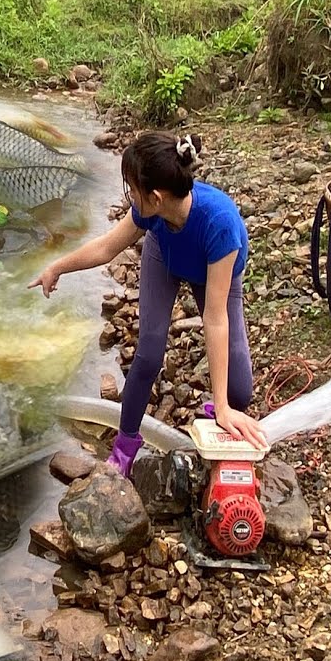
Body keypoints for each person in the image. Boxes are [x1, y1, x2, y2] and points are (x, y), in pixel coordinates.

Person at [28, 132, 266, 477]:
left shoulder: (220, 225)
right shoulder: (152, 213)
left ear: (155, 197)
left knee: (240, 391)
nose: (128, 196)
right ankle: (125, 446)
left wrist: (225, 406)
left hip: (214, 271)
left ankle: (220, 409)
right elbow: (106, 248)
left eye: (131, 189)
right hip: (165, 257)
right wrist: (57, 267)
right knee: (149, 353)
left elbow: (214, 319)